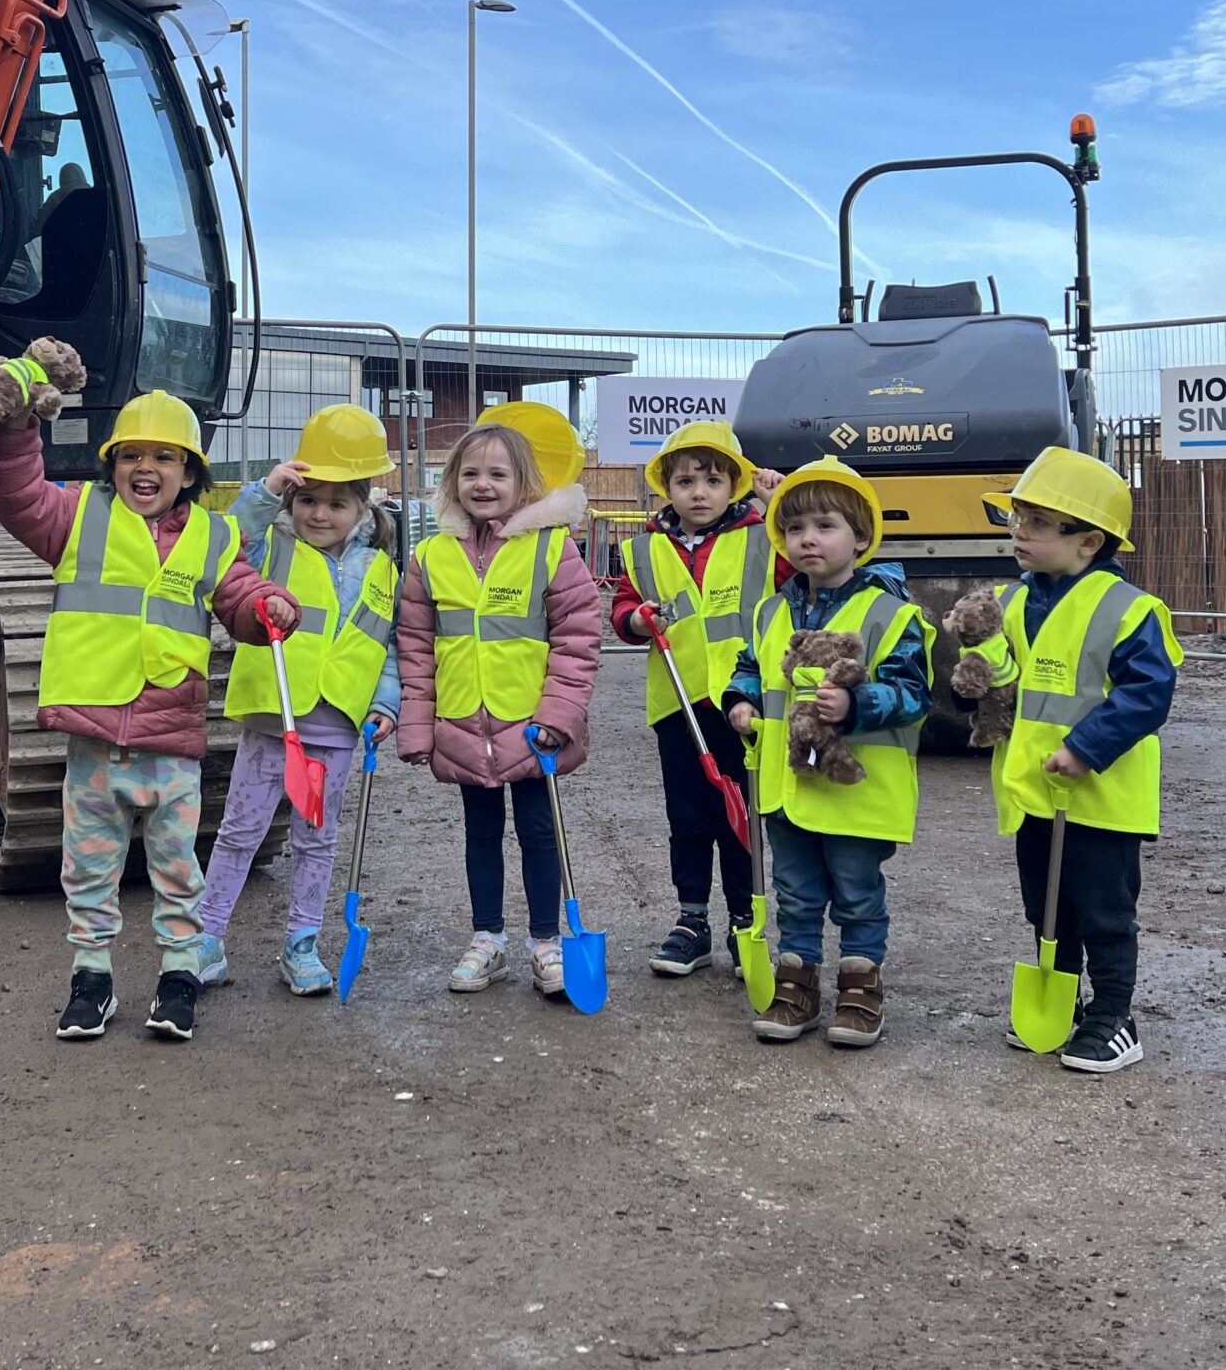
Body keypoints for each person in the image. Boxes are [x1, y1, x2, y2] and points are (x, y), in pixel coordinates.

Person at [0, 386, 295, 1044]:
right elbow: (17, 498)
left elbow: (239, 591)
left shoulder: (213, 535)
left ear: (190, 472)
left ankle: (180, 976)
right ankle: (90, 978)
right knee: (89, 867)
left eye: (164, 455)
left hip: (170, 744)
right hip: (95, 742)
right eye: (130, 455)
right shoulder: (77, 518)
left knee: (177, 867)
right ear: (111, 464)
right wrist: (16, 429)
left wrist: (266, 605)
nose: (144, 468)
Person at [978, 446, 1183, 1074]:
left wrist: (1085, 749)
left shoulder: (1129, 610)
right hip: (1036, 793)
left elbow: (1148, 695)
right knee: (1046, 905)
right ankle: (1060, 1003)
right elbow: (1010, 682)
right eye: (1017, 520)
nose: (1020, 534)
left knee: (1103, 911)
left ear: (1088, 541)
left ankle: (1114, 1016)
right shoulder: (1013, 602)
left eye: (1037, 523)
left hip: (1103, 800)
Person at [395, 404, 603, 998]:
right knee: (479, 833)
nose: (483, 485)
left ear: (525, 486)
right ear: (452, 481)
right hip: (462, 723)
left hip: (532, 728)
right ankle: (487, 938)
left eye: (498, 475)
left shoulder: (551, 550)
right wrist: (417, 726)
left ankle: (546, 941)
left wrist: (558, 717)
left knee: (540, 832)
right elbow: (414, 645)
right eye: (470, 474)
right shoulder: (431, 557)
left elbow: (578, 639)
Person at [723, 459, 932, 1047]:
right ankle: (798, 982)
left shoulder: (891, 613)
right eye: (794, 529)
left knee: (857, 891)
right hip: (786, 788)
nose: (807, 539)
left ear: (861, 538)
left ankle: (861, 988)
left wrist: (857, 705)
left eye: (825, 526)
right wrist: (738, 703)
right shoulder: (771, 609)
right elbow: (749, 667)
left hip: (855, 792)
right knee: (795, 889)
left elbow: (914, 694)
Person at [197, 404, 403, 996]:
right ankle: (206, 939)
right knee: (241, 830)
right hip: (273, 717)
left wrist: (384, 705)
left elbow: (385, 648)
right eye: (308, 499)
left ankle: (302, 944)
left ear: (362, 509)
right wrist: (265, 491)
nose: (320, 513)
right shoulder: (273, 549)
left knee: (318, 840)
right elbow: (228, 541)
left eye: (337, 503)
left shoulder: (381, 571)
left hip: (338, 726)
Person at [609, 420, 783, 977]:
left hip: (741, 706)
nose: (699, 492)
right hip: (677, 706)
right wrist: (636, 618)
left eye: (712, 481)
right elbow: (623, 611)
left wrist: (778, 505)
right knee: (686, 817)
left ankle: (743, 920)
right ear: (668, 489)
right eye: (686, 482)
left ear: (735, 484)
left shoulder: (763, 536)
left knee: (740, 816)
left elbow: (800, 568)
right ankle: (691, 920)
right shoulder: (643, 550)